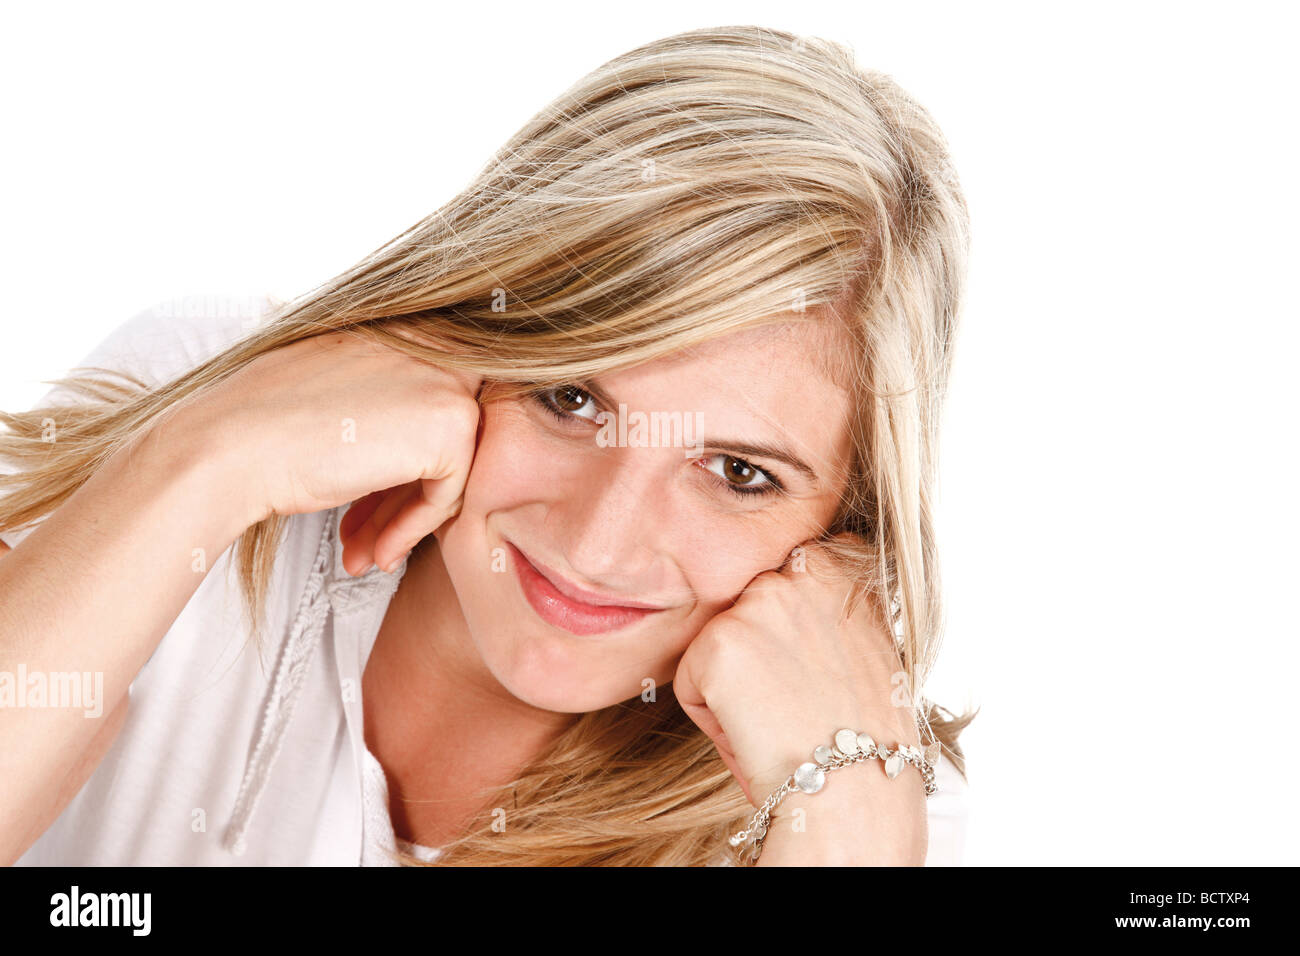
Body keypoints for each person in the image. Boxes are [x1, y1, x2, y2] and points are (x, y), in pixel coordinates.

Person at [0, 25, 976, 866]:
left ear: (849, 522)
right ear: (478, 331)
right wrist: (198, 467)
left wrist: (846, 818)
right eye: (569, 397)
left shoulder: (851, 797)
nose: (599, 542)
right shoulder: (213, 405)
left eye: (738, 472)